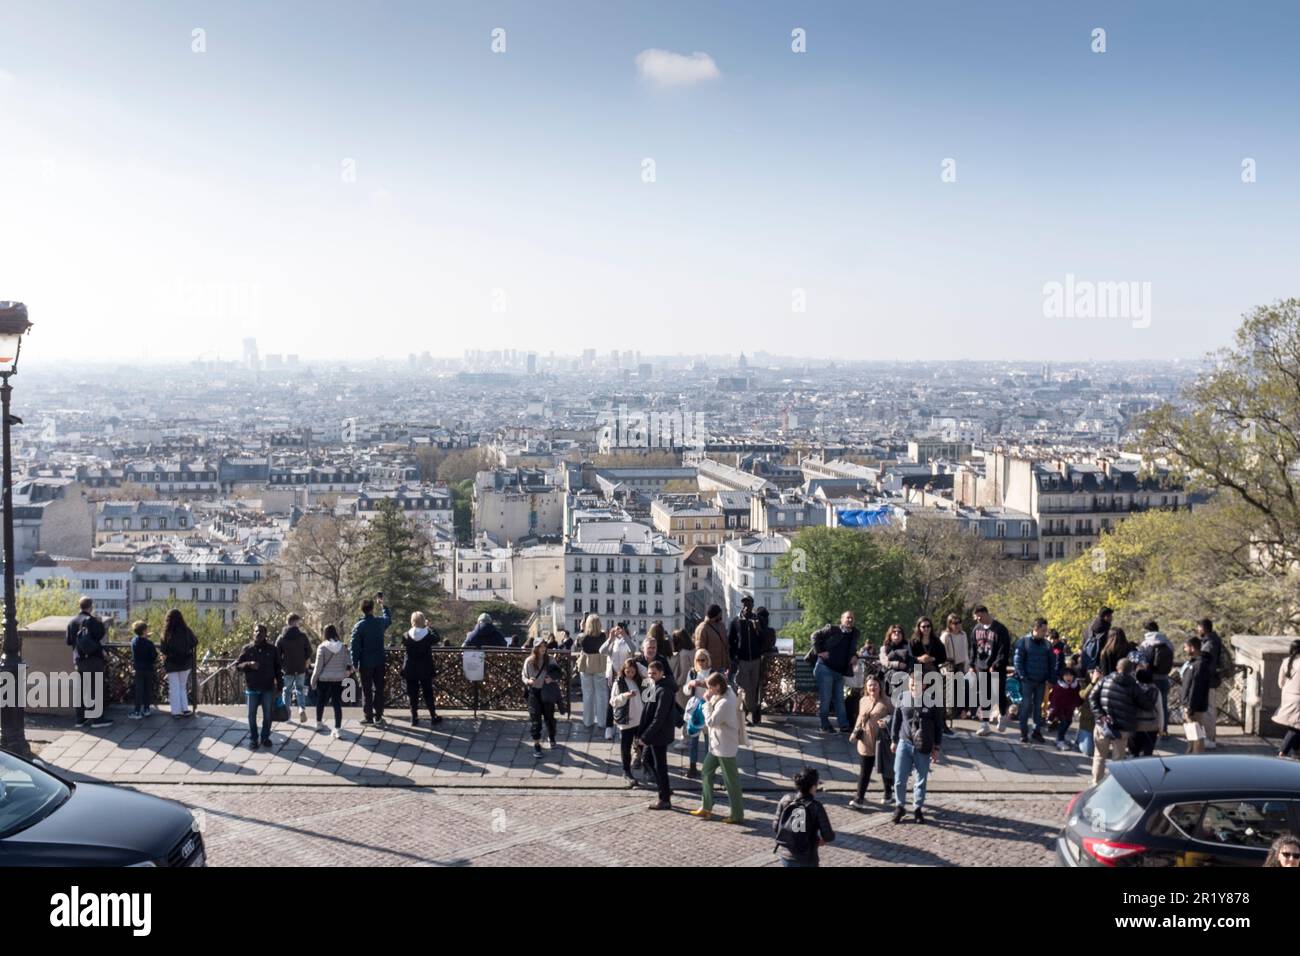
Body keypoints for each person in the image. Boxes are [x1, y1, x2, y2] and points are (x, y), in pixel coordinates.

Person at [1089, 657, 1157, 783]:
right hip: (1123, 727)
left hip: (1103, 724)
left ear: (1117, 667)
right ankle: (1113, 785)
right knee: (1118, 760)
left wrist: (1100, 715)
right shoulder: (1133, 686)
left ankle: (1095, 783)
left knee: (1099, 757)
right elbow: (1146, 704)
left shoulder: (1105, 680)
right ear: (1131, 670)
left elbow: (1092, 697)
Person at [691, 672, 745, 823]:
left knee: (731, 782)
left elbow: (710, 722)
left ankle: (737, 814)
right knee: (706, 772)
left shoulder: (725, 703)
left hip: (725, 747)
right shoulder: (726, 689)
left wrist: (706, 703)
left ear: (718, 686)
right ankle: (707, 807)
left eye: (710, 688)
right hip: (717, 745)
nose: (708, 691)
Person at [890, 672, 943, 824]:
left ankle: (917, 808)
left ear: (925, 685)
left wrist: (937, 747)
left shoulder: (932, 702)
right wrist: (894, 740)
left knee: (921, 780)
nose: (914, 687)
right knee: (899, 779)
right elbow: (896, 720)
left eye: (917, 684)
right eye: (912, 684)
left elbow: (938, 726)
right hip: (904, 743)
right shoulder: (902, 697)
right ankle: (900, 806)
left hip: (923, 746)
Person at [848, 674, 894, 810]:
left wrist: (886, 722)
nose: (872, 687)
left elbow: (895, 717)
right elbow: (860, 719)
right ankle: (859, 798)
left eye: (875, 685)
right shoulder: (863, 700)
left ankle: (888, 794)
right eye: (869, 685)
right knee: (864, 771)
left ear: (880, 686)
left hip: (881, 740)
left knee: (885, 768)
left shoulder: (888, 701)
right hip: (865, 740)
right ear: (866, 688)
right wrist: (854, 733)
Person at [810, 611, 861, 734]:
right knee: (826, 698)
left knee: (839, 699)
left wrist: (855, 655)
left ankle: (844, 725)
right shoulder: (832, 629)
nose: (850, 620)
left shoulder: (855, 633)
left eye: (852, 618)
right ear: (842, 619)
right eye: (847, 617)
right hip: (825, 668)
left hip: (839, 671)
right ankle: (824, 725)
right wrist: (819, 651)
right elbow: (814, 636)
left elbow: (851, 649)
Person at [773, 768, 835, 867]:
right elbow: (829, 836)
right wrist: (820, 840)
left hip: (786, 856)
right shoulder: (816, 806)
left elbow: (776, 827)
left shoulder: (785, 800)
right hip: (807, 858)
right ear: (813, 787)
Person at [66, 597, 112, 730]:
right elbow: (100, 635)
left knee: (80, 690)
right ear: (91, 606)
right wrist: (99, 622)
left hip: (79, 660)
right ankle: (97, 719)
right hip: (93, 659)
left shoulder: (72, 622)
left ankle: (80, 719)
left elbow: (69, 641)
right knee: (95, 689)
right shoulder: (91, 621)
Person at [235, 623, 283, 750]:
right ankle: (254, 739)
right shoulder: (247, 649)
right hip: (252, 688)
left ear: (265, 634)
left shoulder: (272, 649)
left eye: (261, 631)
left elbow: (278, 668)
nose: (258, 633)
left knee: (267, 715)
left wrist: (280, 686)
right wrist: (249, 664)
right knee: (251, 715)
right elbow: (238, 666)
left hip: (268, 688)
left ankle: (265, 737)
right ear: (253, 633)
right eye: (256, 631)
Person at [636, 659, 675, 810]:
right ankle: (665, 790)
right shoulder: (651, 684)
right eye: (649, 673)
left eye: (654, 673)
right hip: (652, 733)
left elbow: (659, 717)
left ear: (661, 674)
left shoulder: (664, 691)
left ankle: (664, 798)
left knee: (659, 766)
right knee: (649, 761)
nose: (651, 676)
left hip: (659, 734)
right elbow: (646, 708)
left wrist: (645, 737)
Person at [1013, 617, 1056, 744]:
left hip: (1041, 681)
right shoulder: (1023, 642)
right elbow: (1017, 661)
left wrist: (1051, 679)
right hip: (1027, 681)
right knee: (1025, 707)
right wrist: (1023, 677)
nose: (1045, 633)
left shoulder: (1047, 644)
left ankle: (1036, 731)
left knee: (1039, 708)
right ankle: (1023, 732)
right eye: (1043, 630)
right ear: (1035, 629)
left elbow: (1052, 663)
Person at [349, 595, 391, 726]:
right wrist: (383, 606)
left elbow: (354, 647)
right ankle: (379, 716)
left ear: (362, 610)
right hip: (379, 661)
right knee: (379, 688)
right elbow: (388, 619)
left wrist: (354, 663)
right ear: (372, 609)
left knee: (366, 690)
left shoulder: (359, 626)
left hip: (365, 663)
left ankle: (368, 716)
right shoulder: (379, 623)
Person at [971, 605, 1012, 732]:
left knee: (999, 694)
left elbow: (1004, 650)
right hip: (981, 667)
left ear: (985, 613)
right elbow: (973, 647)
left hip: (996, 669)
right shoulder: (976, 629)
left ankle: (1002, 715)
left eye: (979, 616)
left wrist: (996, 665)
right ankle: (984, 724)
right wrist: (972, 665)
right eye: (975, 617)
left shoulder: (1000, 629)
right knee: (984, 695)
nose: (978, 620)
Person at [728, 596, 766, 726]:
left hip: (755, 659)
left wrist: (758, 629)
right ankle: (751, 711)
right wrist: (734, 657)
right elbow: (730, 640)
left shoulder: (758, 620)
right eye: (744, 605)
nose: (746, 608)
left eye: (748, 605)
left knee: (753, 687)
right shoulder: (736, 621)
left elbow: (764, 639)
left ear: (752, 606)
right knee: (745, 688)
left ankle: (746, 714)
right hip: (742, 660)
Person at [311, 623, 352, 738]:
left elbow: (318, 667)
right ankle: (337, 728)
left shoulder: (322, 647)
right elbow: (347, 663)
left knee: (320, 701)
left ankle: (318, 723)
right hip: (338, 679)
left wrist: (313, 680)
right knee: (337, 704)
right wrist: (344, 674)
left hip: (323, 679)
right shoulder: (343, 647)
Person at [610, 657, 646, 786]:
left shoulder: (640, 680)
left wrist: (638, 665)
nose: (630, 674)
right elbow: (613, 701)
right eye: (628, 671)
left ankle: (641, 763)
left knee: (641, 742)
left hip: (640, 718)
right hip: (626, 720)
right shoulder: (619, 682)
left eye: (632, 671)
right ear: (623, 670)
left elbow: (650, 682)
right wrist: (625, 696)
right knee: (625, 747)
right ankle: (626, 771)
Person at [402, 611, 441, 727]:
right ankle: (433, 716)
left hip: (410, 668)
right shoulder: (428, 635)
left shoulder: (406, 635)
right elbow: (437, 638)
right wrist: (430, 627)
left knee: (412, 693)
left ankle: (414, 717)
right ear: (423, 621)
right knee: (428, 693)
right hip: (425, 668)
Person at [522, 641, 559, 757]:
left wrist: (551, 679)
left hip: (547, 691)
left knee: (549, 717)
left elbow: (558, 673)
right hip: (534, 692)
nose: (543, 649)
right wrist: (528, 681)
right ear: (536, 648)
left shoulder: (551, 659)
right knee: (535, 720)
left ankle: (552, 737)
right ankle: (537, 745)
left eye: (544, 646)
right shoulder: (529, 661)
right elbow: (523, 675)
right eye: (540, 647)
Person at [160, 608, 198, 719]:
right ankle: (185, 709)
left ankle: (176, 711)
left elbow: (163, 649)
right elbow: (195, 641)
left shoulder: (167, 633)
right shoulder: (186, 630)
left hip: (172, 663)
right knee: (182, 687)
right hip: (185, 662)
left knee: (174, 687)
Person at [1139, 621, 1175, 736]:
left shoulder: (1145, 644)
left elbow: (1141, 660)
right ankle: (1163, 730)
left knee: (1149, 704)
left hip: (1150, 679)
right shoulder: (1167, 643)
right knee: (1163, 705)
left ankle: (1150, 728)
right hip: (1164, 678)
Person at [574, 613, 609, 734]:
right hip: (600, 665)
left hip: (586, 666)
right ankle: (602, 721)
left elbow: (576, 645)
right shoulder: (603, 636)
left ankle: (588, 721)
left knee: (588, 694)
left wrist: (582, 628)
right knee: (601, 694)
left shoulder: (582, 637)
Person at [275, 613, 313, 722]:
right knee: (300, 689)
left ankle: (287, 714)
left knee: (286, 690)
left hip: (287, 668)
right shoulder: (302, 636)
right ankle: (301, 709)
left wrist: (282, 664)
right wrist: (304, 660)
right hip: (300, 667)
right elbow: (309, 651)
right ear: (295, 622)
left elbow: (276, 653)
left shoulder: (282, 637)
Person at [681, 648, 713, 776]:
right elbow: (685, 690)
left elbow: (716, 688)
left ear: (707, 660)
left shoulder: (712, 672)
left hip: (708, 707)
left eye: (703, 659)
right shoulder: (693, 672)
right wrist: (689, 686)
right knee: (694, 739)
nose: (700, 662)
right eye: (698, 660)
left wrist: (701, 684)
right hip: (695, 708)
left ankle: (708, 767)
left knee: (707, 740)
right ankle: (692, 766)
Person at [1180, 636, 1214, 755]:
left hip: (1194, 706)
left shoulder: (1199, 665)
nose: (1184, 649)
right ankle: (1191, 752)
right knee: (1192, 732)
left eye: (1186, 647)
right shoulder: (1195, 663)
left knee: (1196, 733)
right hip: (1192, 704)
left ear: (1192, 648)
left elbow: (1195, 688)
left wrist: (1190, 706)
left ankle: (1196, 756)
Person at [1196, 618, 1225, 748]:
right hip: (1209, 680)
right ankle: (1209, 737)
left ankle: (1209, 738)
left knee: (1208, 710)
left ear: (1202, 628)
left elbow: (1209, 664)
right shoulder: (1212, 641)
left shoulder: (1210, 643)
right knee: (1208, 709)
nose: (1197, 630)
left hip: (1208, 680)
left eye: (1198, 627)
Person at [940, 613, 969, 721]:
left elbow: (965, 651)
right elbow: (941, 654)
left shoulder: (963, 635)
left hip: (960, 665)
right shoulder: (946, 636)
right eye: (954, 623)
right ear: (949, 624)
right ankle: (949, 713)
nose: (957, 625)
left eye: (959, 622)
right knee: (950, 690)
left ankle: (961, 712)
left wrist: (967, 666)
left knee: (962, 689)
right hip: (949, 665)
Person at [1274, 640, 1300, 759]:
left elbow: (1280, 683)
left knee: (1295, 726)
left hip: (1287, 698)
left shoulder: (1286, 662)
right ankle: (1282, 752)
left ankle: (1297, 752)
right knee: (1296, 728)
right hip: (1298, 700)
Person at [1046, 667, 1082, 751]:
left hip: (1069, 709)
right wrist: (1053, 713)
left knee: (1068, 722)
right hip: (1059, 709)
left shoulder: (1075, 686)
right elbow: (1053, 699)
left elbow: (1077, 697)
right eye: (1066, 675)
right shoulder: (1059, 687)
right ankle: (1060, 740)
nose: (1068, 677)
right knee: (1064, 723)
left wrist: (1078, 705)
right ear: (1062, 676)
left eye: (1070, 675)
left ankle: (1060, 738)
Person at [127, 619, 157, 720]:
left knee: (139, 690)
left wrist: (145, 637)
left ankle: (137, 710)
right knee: (147, 689)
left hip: (138, 668)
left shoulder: (134, 641)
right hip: (149, 668)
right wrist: (147, 639)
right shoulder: (149, 644)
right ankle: (147, 709)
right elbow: (154, 656)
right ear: (144, 631)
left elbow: (138, 641)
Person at [1128, 666, 1161, 757]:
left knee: (1133, 753)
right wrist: (1161, 727)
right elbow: (1160, 710)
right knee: (1147, 755)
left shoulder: (1132, 689)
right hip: (1151, 726)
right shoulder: (1156, 690)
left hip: (1135, 725)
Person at [693, 604, 730, 675]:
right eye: (720, 613)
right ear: (716, 614)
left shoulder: (721, 625)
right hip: (709, 668)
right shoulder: (703, 628)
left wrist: (727, 662)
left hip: (722, 666)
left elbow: (725, 645)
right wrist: (703, 667)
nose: (721, 615)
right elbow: (700, 649)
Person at [1080, 607, 1113, 677]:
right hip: (1100, 663)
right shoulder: (1106, 630)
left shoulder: (1089, 628)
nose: (1112, 618)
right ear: (1106, 617)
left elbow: (1083, 645)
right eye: (1110, 616)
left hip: (1088, 661)